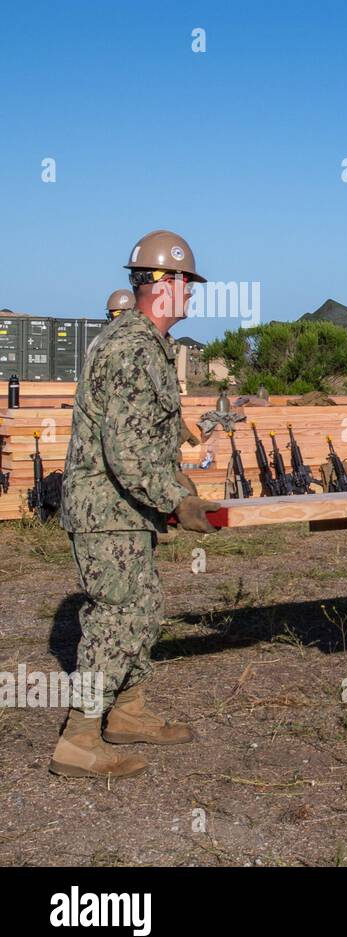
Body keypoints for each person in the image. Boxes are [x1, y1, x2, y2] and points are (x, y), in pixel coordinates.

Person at [50, 230, 223, 780]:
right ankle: (79, 739)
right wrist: (178, 500)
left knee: (143, 608)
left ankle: (128, 712)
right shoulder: (130, 348)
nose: (192, 295)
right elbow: (124, 452)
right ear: (163, 284)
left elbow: (146, 440)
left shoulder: (145, 343)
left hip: (127, 510)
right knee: (119, 615)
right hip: (107, 510)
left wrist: (173, 487)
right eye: (186, 284)